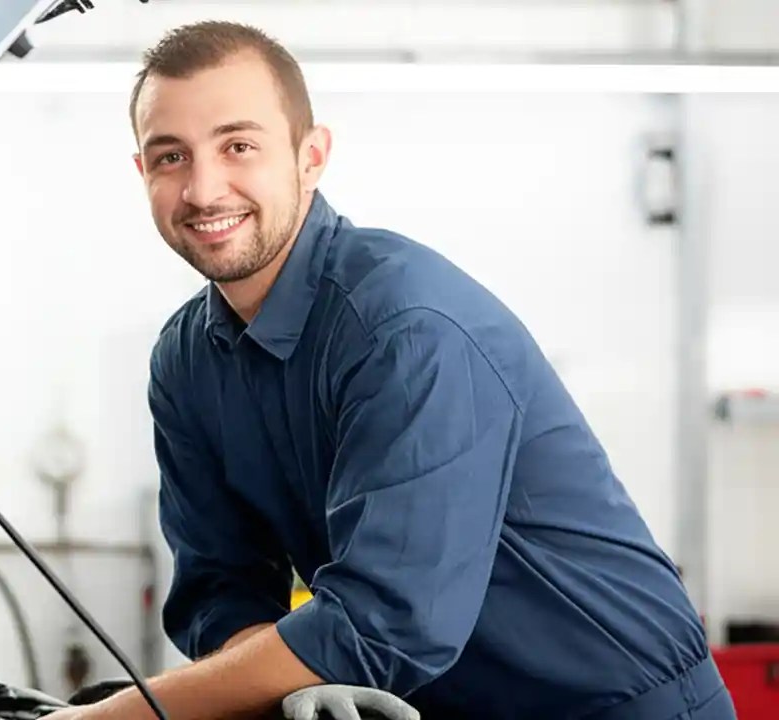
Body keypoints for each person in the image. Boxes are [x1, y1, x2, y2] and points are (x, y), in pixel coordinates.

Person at [42, 20, 735, 720]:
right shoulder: (186, 361)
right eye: (170, 158)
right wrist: (286, 680)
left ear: (312, 157)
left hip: (620, 706)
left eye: (239, 147)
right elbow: (218, 584)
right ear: (142, 174)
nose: (203, 188)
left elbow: (383, 624)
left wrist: (113, 716)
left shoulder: (404, 328)